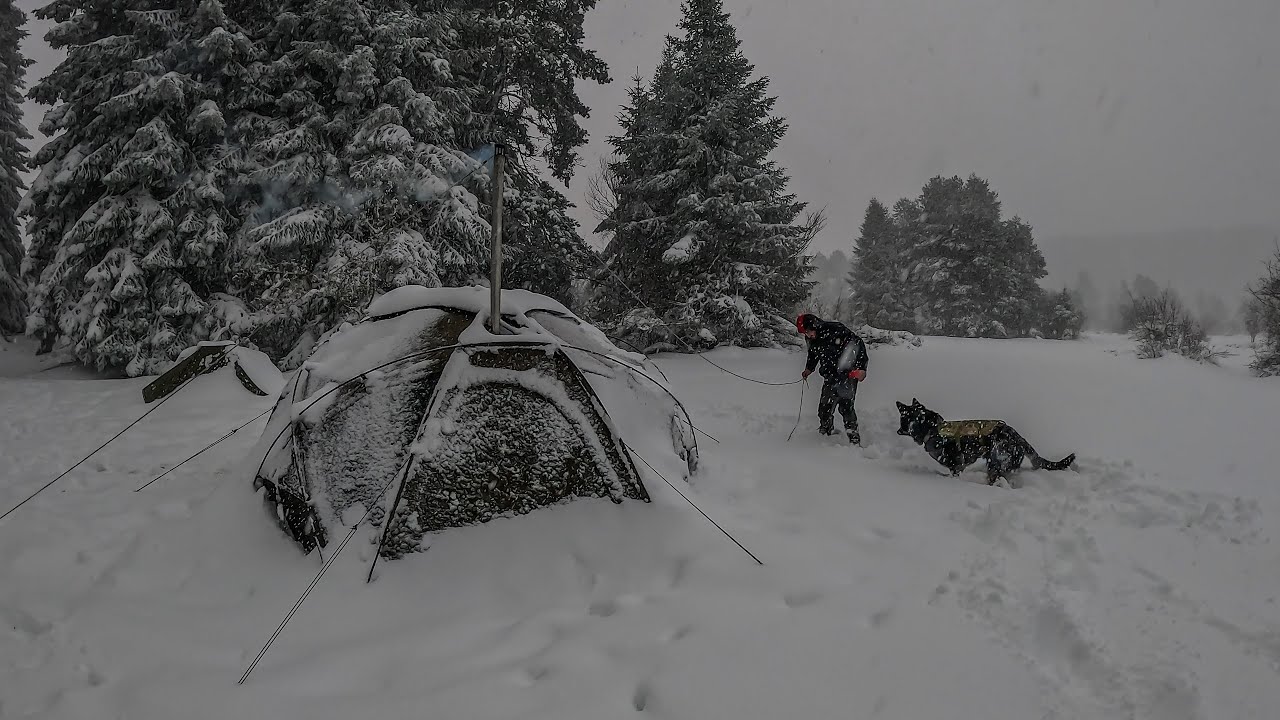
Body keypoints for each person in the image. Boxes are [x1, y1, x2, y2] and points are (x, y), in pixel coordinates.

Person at [796, 313, 868, 444]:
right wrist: (809, 368)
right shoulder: (812, 339)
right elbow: (813, 354)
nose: (808, 335)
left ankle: (854, 438)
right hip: (830, 376)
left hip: (848, 375)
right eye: (805, 333)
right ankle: (826, 434)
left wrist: (861, 369)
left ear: (814, 325)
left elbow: (858, 345)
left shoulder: (835, 329)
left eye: (807, 331)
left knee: (846, 408)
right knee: (824, 408)